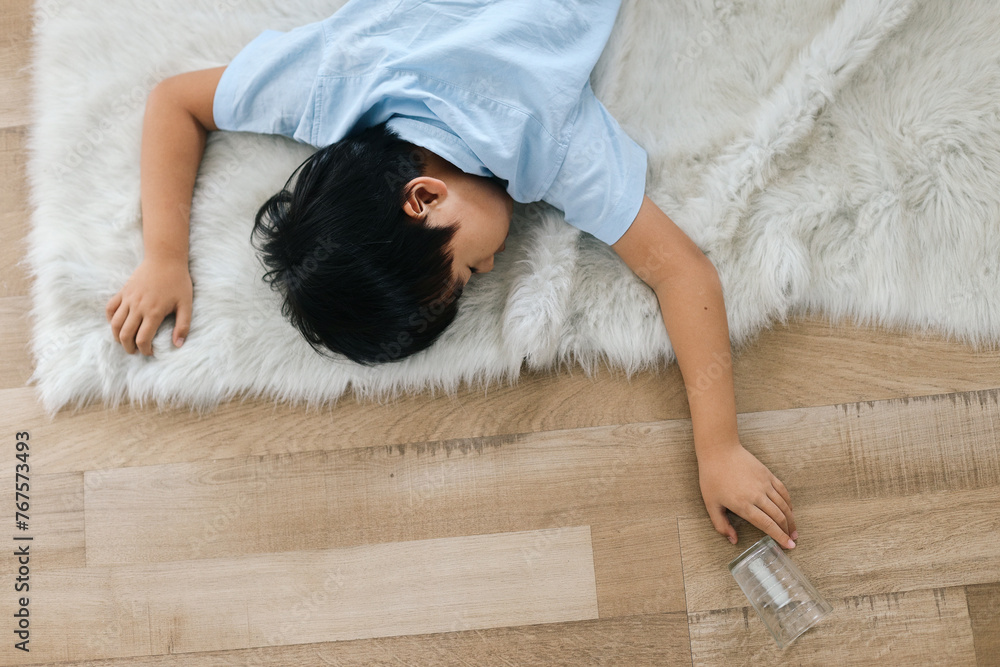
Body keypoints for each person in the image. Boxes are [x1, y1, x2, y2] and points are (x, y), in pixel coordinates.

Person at [104, 0, 798, 550]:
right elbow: (177, 101)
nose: (491, 264)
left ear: (427, 200)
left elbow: (683, 274)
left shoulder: (545, 139)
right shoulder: (334, 79)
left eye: (466, 266)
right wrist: (163, 255)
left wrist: (719, 446)